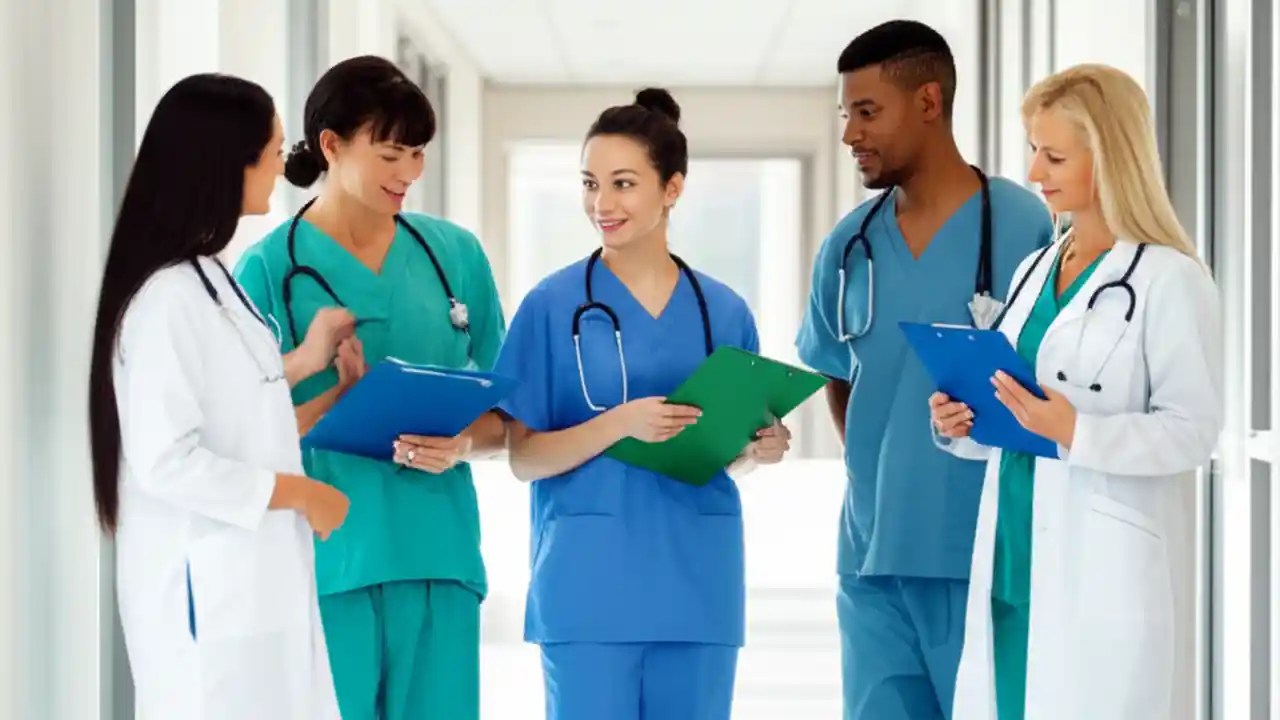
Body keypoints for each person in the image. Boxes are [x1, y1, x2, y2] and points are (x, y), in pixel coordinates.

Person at [930, 63, 1222, 720]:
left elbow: (1193, 429)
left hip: (1101, 563)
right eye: (1034, 150)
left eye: (1054, 155)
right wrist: (964, 420)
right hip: (1012, 547)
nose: (1035, 172)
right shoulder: (1038, 267)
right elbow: (1016, 404)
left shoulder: (1169, 280)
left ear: (1111, 157)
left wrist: (1076, 430)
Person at [492, 87, 792, 720]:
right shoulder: (552, 305)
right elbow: (523, 458)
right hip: (588, 588)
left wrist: (759, 449)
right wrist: (617, 424)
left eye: (623, 183)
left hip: (699, 586)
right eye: (590, 183)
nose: (602, 204)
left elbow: (723, 456)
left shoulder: (725, 311)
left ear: (672, 189)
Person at [794, 20, 1056, 720]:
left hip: (984, 553)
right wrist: (883, 472)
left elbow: (1058, 379)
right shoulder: (848, 245)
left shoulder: (1023, 223)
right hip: (873, 559)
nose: (851, 133)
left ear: (930, 103)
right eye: (845, 114)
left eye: (867, 111)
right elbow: (836, 372)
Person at [232, 55, 506, 720]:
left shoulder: (456, 256)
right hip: (328, 566)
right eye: (390, 154)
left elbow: (508, 413)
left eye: (417, 153)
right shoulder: (269, 270)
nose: (409, 173)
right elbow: (239, 436)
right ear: (331, 145)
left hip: (438, 556)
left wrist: (463, 442)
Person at [87, 73, 353, 719]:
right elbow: (166, 461)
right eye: (273, 150)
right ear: (225, 163)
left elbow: (240, 415)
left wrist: (319, 377)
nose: (281, 166)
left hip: (252, 593)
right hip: (205, 606)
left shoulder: (209, 279)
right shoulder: (164, 301)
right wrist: (303, 494)